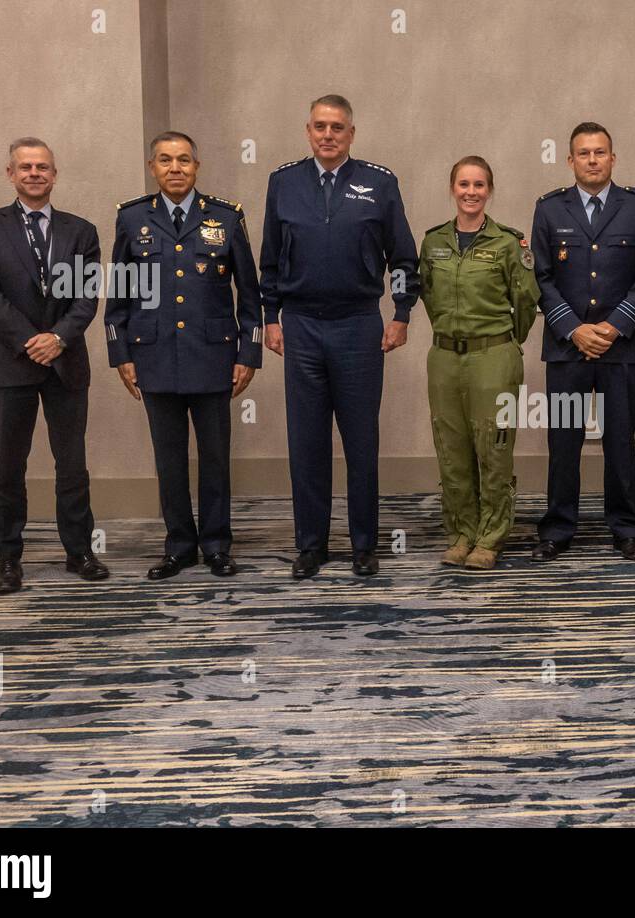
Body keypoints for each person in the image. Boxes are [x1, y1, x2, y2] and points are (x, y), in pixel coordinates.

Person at [260, 94, 420, 578]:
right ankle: (311, 545)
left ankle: (364, 544)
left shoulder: (379, 182)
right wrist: (271, 316)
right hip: (303, 326)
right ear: (307, 130)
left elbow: (404, 258)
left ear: (352, 133)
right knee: (306, 442)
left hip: (358, 324)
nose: (328, 135)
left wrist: (402, 314)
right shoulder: (283, 182)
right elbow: (269, 257)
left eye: (338, 128)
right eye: (319, 127)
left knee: (360, 441)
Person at [104, 131, 262, 580]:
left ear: (197, 166)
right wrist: (121, 354)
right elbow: (119, 295)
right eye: (166, 160)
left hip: (213, 356)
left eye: (185, 160)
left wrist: (248, 353)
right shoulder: (133, 219)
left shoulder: (225, 217)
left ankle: (215, 545)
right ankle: (178, 546)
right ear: (153, 167)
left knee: (214, 459)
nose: (176, 168)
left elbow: (249, 296)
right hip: (152, 356)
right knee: (168, 459)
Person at [0, 137, 108, 594]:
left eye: (42, 167)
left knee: (72, 465)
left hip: (66, 364)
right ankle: (8, 560)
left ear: (54, 174)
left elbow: (88, 295)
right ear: (10, 174)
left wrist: (60, 338)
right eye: (25, 167)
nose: (34, 173)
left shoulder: (81, 231)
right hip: (11, 363)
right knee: (9, 467)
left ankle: (79, 552)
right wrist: (32, 340)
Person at [530, 122, 635, 563]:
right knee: (563, 441)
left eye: (600, 152)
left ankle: (626, 528)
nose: (592, 160)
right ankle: (558, 528)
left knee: (620, 442)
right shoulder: (549, 209)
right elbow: (542, 278)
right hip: (567, 347)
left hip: (619, 347)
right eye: (583, 153)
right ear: (570, 161)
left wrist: (611, 327)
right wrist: (574, 328)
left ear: (612, 158)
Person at [418, 157, 540, 570]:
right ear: (452, 188)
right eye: (464, 184)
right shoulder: (433, 242)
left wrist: (502, 343)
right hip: (445, 357)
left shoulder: (509, 243)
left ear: (490, 190)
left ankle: (490, 536)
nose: (471, 192)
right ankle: (460, 532)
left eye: (480, 185)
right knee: (451, 448)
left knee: (494, 447)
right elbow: (429, 295)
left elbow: (525, 302)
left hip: (494, 355)